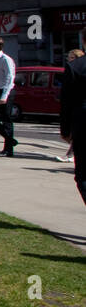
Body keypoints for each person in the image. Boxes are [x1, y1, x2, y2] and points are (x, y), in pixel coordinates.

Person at [61, 34, 86, 206]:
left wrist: (65, 130)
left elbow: (66, 102)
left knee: (83, 175)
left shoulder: (74, 67)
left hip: (83, 123)